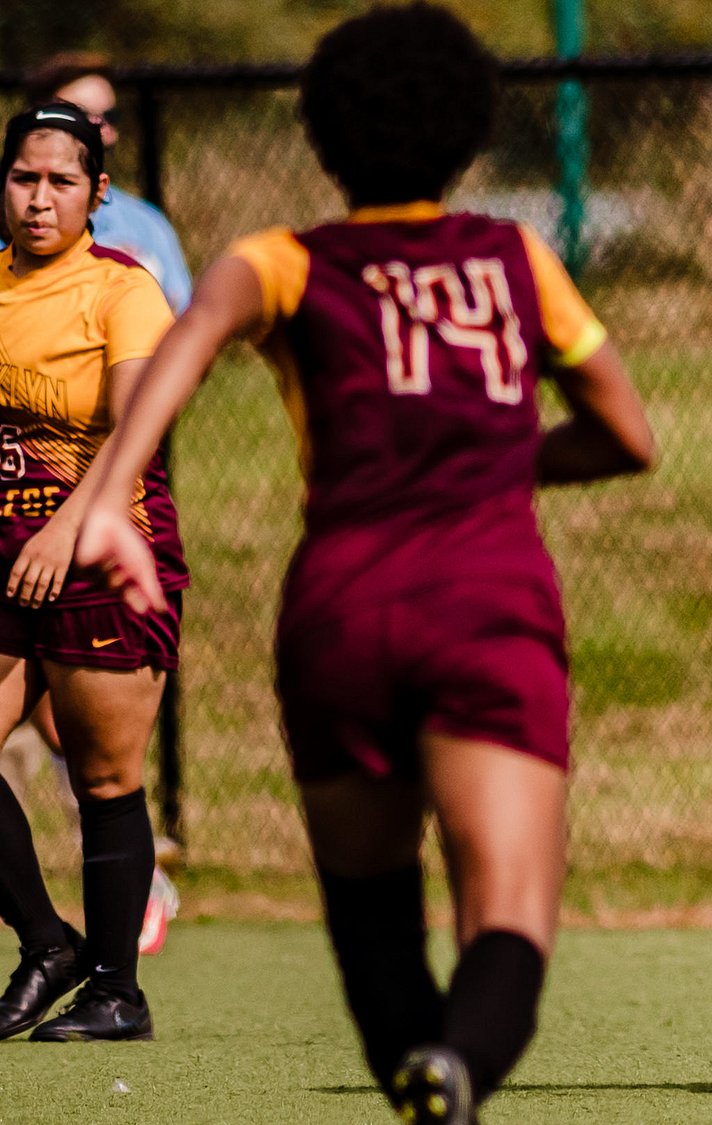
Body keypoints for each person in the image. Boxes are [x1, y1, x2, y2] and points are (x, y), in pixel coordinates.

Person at [72, 5, 655, 1121]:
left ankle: (419, 1076)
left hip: (339, 609)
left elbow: (173, 366)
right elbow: (627, 435)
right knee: (509, 916)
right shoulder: (513, 257)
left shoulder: (276, 262)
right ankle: (458, 1071)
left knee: (370, 909)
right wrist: (487, 458)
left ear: (323, 140)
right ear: (468, 134)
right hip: (486, 600)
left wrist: (107, 507)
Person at [0, 100, 184, 1043]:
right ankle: (46, 944)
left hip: (106, 547)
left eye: (60, 181)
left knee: (106, 777)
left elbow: (130, 434)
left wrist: (62, 530)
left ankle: (119, 991)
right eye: (24, 178)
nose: (39, 200)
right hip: (3, 549)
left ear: (96, 192)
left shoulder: (122, 289)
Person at [23, 55, 194, 313]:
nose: (98, 128)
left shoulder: (145, 222)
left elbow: (181, 316)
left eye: (109, 116)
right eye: (79, 115)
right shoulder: (14, 219)